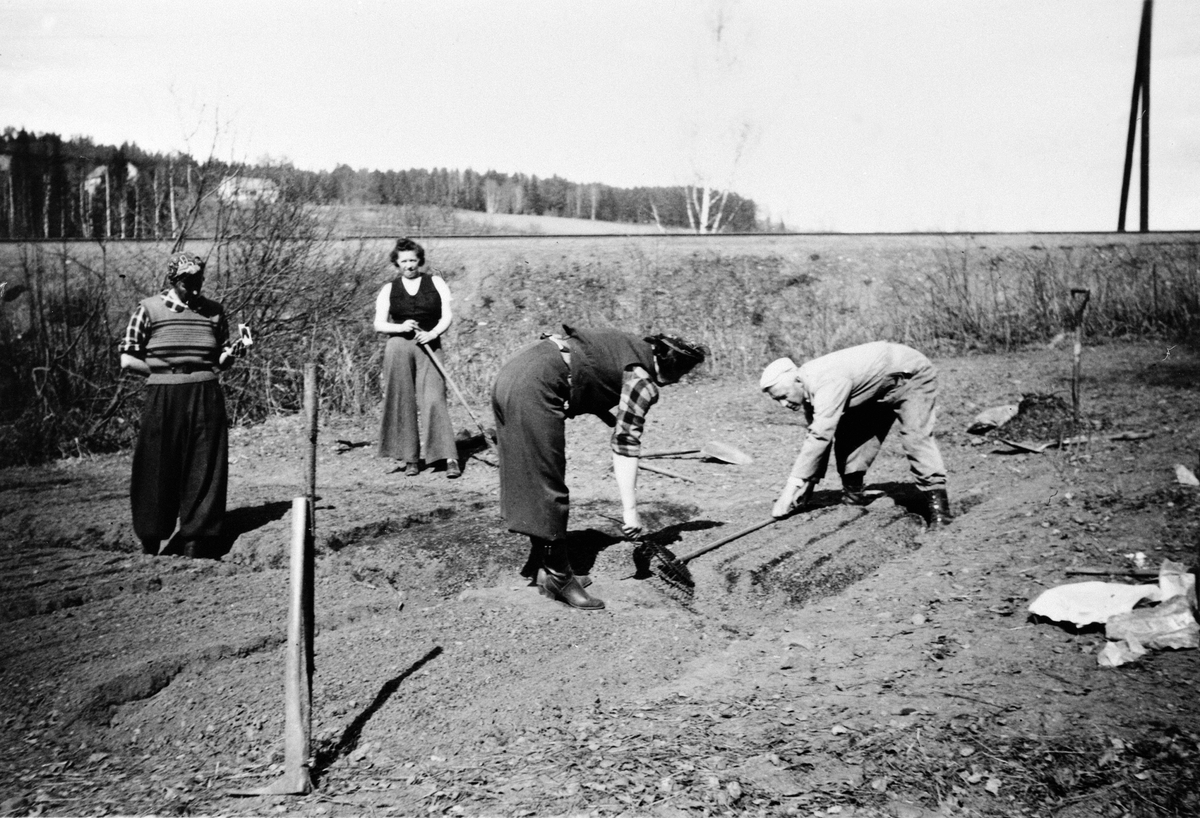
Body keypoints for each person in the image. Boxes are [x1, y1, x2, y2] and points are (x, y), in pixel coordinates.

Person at [491, 325, 707, 610]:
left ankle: (545, 569)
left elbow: (589, 367)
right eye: (682, 374)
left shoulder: (632, 347)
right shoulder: (642, 379)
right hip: (535, 383)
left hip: (517, 369)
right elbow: (626, 443)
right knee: (547, 480)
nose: (680, 381)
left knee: (532, 473)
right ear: (671, 367)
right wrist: (630, 511)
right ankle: (559, 576)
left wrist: (604, 410)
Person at [118, 252, 248, 558]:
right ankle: (151, 537)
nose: (194, 286)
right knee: (157, 465)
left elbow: (219, 359)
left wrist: (232, 354)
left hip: (205, 394)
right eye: (187, 281)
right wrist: (165, 371)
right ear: (174, 280)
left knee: (204, 464)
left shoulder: (214, 311)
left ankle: (196, 538)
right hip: (164, 395)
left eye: (198, 279)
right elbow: (127, 358)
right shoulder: (149, 309)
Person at [759, 341, 952, 527]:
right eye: (778, 400)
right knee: (851, 437)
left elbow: (820, 435)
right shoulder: (808, 391)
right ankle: (853, 499)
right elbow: (818, 440)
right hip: (875, 388)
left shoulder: (826, 380)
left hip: (909, 375)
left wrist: (788, 492)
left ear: (798, 380)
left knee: (915, 437)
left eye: (784, 396)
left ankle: (940, 513)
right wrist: (808, 484)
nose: (784, 404)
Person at [373, 238, 459, 478]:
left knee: (434, 398)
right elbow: (378, 324)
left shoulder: (435, 282)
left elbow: (447, 316)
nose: (409, 265)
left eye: (413, 260)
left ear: (419, 260)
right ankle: (410, 458)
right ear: (396, 263)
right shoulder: (389, 288)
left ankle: (447, 456)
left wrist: (433, 333)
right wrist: (400, 327)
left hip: (429, 344)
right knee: (401, 399)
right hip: (399, 347)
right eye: (404, 261)